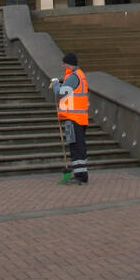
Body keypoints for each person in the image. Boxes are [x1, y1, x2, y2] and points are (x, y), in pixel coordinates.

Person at [49, 52, 89, 184]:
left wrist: (55, 83)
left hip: (74, 118)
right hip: (80, 117)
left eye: (64, 64)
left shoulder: (73, 77)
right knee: (79, 146)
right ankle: (81, 174)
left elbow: (60, 93)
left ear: (69, 64)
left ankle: (80, 176)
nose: (62, 66)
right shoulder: (79, 75)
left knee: (75, 147)